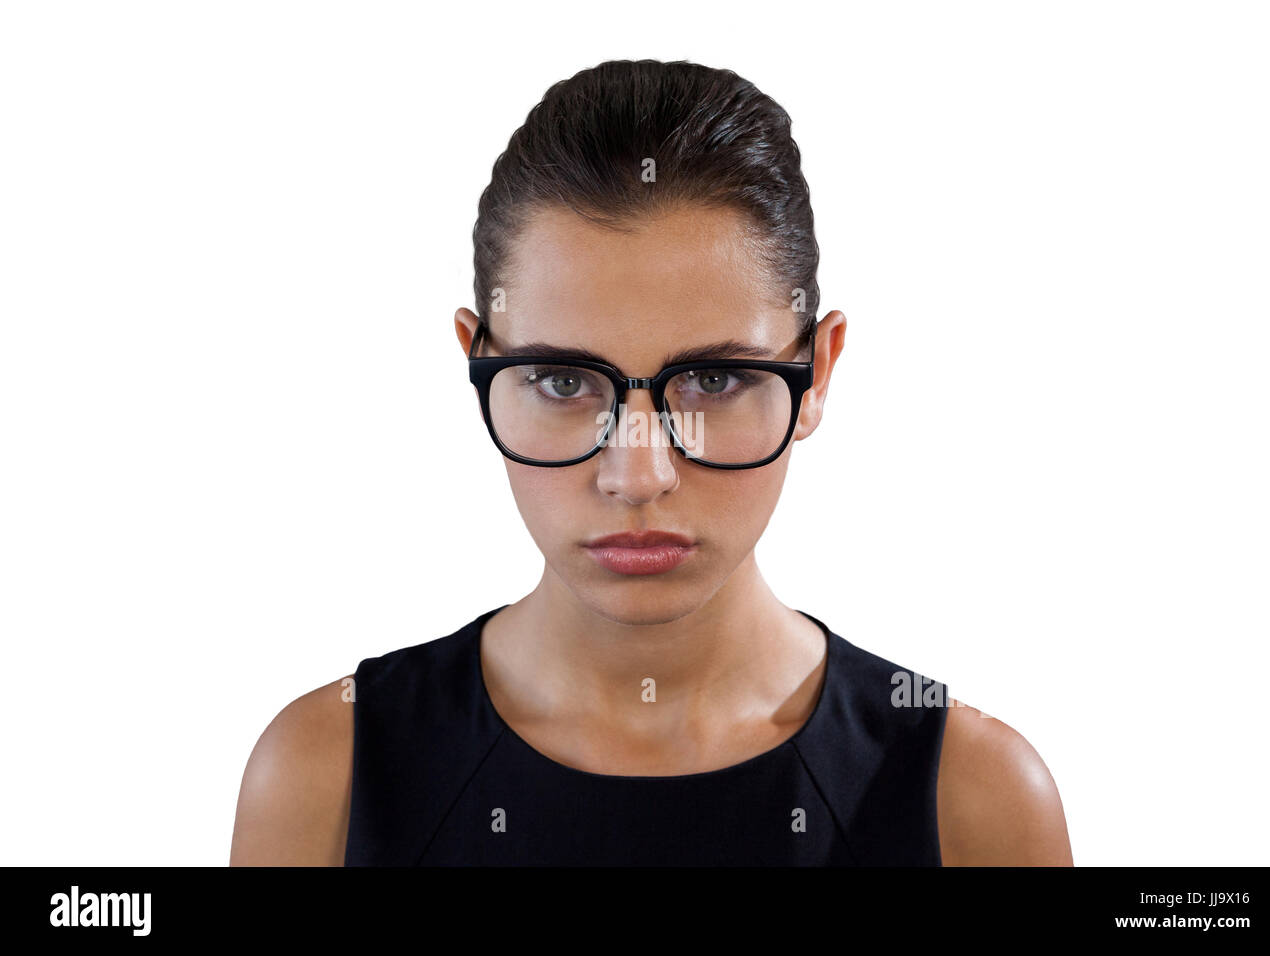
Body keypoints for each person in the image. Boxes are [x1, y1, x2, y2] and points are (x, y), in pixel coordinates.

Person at [230, 59, 1072, 866]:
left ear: (816, 374)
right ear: (476, 361)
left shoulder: (972, 795)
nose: (638, 477)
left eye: (713, 379)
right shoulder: (325, 773)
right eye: (563, 380)